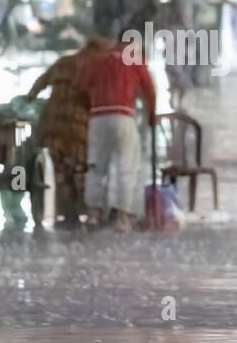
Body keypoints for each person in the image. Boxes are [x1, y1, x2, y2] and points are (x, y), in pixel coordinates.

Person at [74, 34, 156, 232]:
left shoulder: (97, 59)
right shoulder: (135, 58)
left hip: (98, 118)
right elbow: (149, 90)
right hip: (124, 117)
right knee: (126, 167)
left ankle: (93, 214)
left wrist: (90, 109)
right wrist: (151, 114)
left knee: (95, 166)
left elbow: (78, 88)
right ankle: (122, 219)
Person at [25, 38, 111, 228]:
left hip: (51, 123)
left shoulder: (63, 61)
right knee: (79, 169)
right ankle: (85, 213)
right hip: (77, 126)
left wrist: (30, 99)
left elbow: (40, 83)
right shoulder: (95, 66)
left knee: (60, 171)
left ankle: (66, 214)